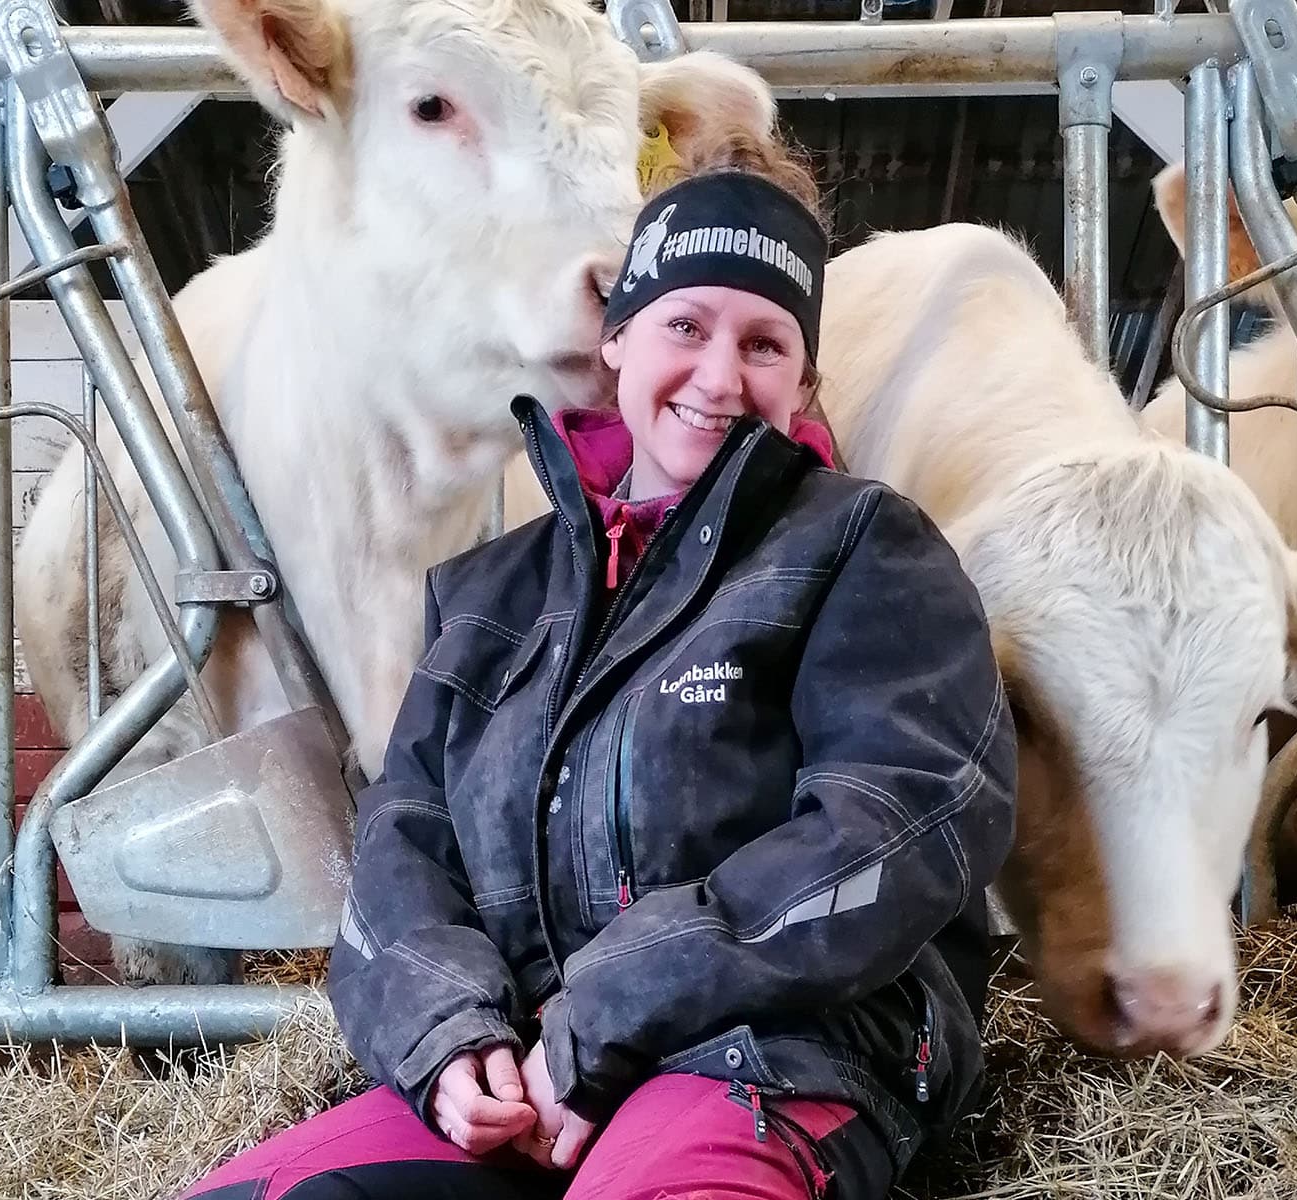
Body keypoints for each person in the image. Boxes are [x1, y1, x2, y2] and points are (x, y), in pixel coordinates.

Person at [179, 162, 1016, 1200]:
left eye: (764, 344)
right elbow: (404, 848)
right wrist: (450, 1039)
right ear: (615, 338)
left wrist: (602, 1016)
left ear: (801, 381)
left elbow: (898, 824)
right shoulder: (492, 596)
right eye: (685, 326)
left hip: (774, 1049)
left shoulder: (864, 549)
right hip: (525, 1070)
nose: (719, 377)